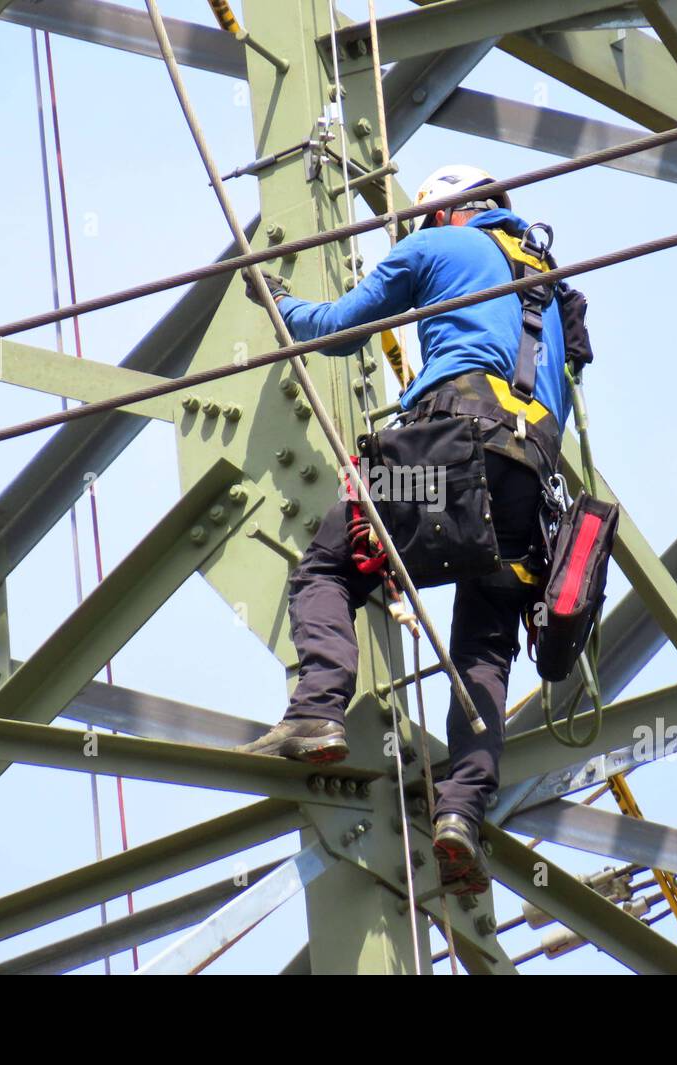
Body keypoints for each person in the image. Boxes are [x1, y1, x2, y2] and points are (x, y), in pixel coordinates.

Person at [236, 164, 573, 893]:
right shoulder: (553, 295)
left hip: (447, 456)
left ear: (442, 212)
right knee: (486, 645)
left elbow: (336, 332)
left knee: (330, 565)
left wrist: (278, 300)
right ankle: (462, 813)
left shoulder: (438, 245)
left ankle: (318, 709)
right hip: (529, 484)